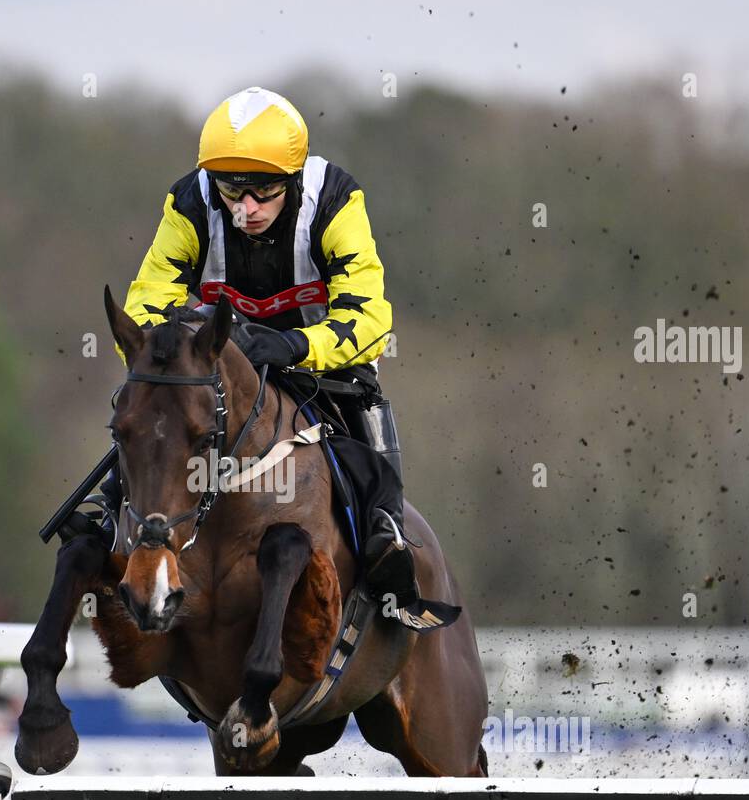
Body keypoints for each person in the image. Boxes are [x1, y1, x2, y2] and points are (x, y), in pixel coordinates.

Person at [59, 85, 454, 632]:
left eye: (263, 192)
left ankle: (387, 540)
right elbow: (149, 301)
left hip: (322, 361)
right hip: (223, 360)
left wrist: (297, 344)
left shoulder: (337, 200)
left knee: (367, 410)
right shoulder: (190, 202)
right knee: (155, 414)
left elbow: (371, 319)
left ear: (291, 181)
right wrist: (188, 349)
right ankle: (109, 517)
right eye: (231, 191)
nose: (245, 210)